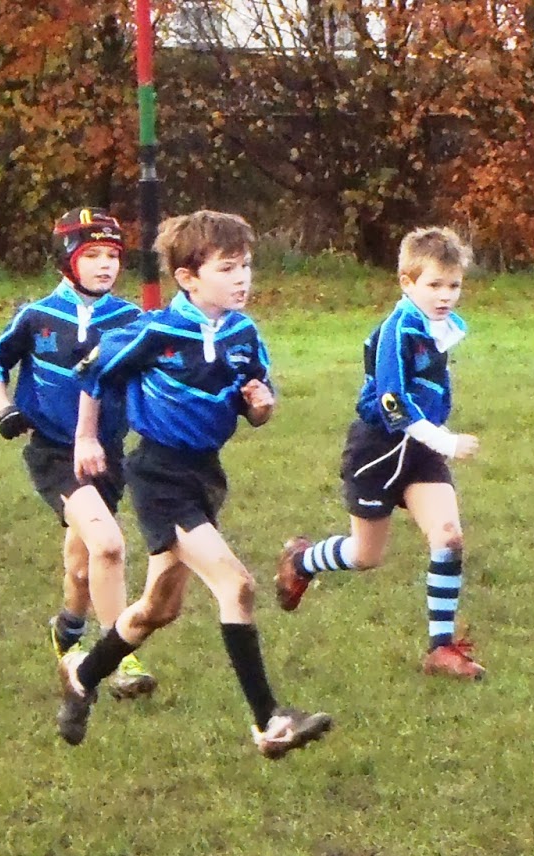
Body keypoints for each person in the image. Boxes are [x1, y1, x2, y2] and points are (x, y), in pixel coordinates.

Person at [59, 210, 331, 758]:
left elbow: (257, 405)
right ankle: (270, 723)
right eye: (228, 268)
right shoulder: (155, 330)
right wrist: (86, 439)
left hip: (206, 474)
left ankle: (82, 677)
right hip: (159, 474)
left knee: (158, 609)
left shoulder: (243, 333)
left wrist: (262, 405)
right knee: (238, 586)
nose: (242, 278)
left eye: (247, 267)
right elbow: (92, 373)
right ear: (187, 277)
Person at [273, 227, 485, 679]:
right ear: (407, 283)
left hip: (420, 450)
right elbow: (393, 401)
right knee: (366, 556)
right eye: (434, 285)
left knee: (448, 538)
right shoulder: (396, 330)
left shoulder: (440, 326)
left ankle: (440, 649)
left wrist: (435, 434)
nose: (446, 296)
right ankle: (302, 560)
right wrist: (445, 440)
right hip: (378, 448)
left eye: (454, 285)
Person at [0, 208, 156, 697]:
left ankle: (67, 633)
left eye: (113, 256)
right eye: (92, 255)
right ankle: (120, 659)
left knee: (82, 568)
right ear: (66, 260)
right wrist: (5, 410)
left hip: (108, 455)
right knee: (109, 545)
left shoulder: (131, 320)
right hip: (56, 454)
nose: (105, 265)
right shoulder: (37, 316)